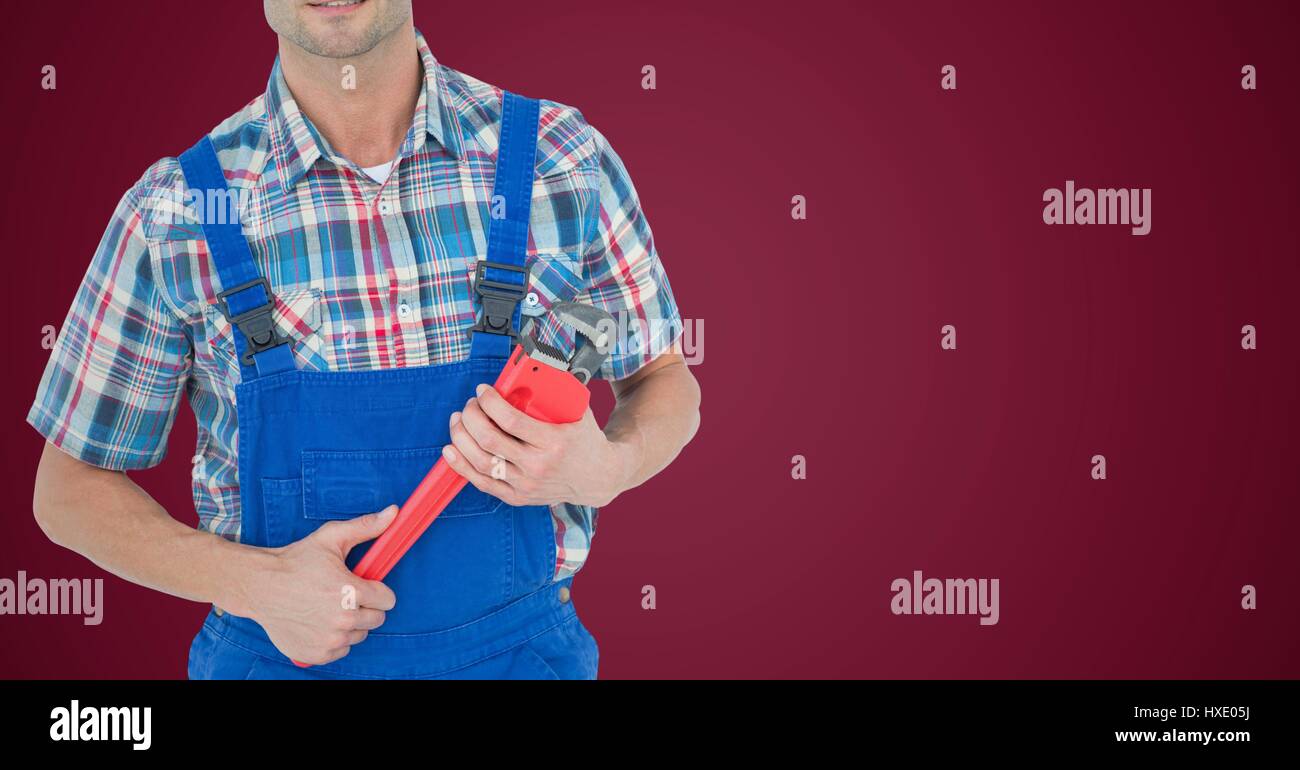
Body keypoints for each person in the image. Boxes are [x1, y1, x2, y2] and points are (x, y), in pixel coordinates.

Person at [28, 0, 699, 679]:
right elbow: (66, 493)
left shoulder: (562, 158)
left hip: (520, 658)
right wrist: (251, 582)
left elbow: (664, 379)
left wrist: (609, 468)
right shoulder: (179, 210)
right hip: (282, 661)